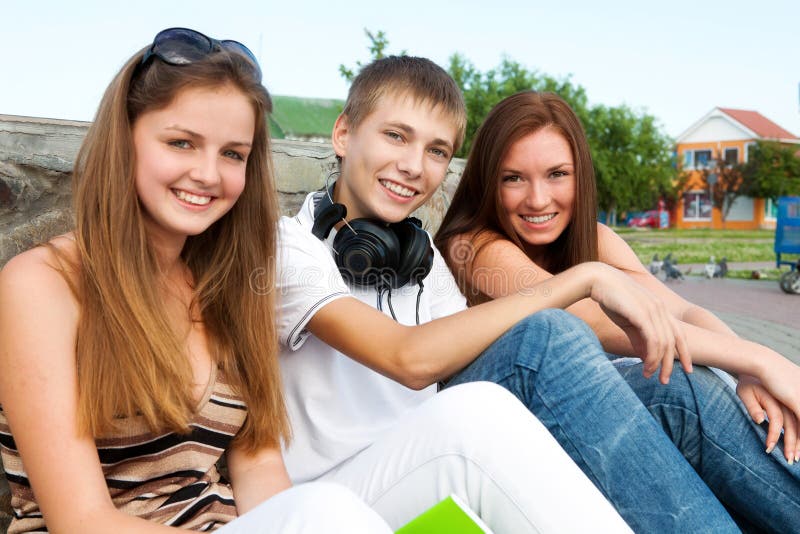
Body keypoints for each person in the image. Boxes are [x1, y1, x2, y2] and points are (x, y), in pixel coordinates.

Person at [276, 55, 747, 532]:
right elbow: (409, 359)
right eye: (396, 136)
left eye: (437, 151)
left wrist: (753, 366)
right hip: (341, 495)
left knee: (669, 386)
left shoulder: (420, 256)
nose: (413, 165)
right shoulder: (287, 246)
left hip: (440, 458)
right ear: (343, 134)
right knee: (546, 337)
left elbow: (470, 357)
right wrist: (586, 279)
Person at [0, 27, 393, 534]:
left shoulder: (230, 285)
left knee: (473, 416)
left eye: (232, 154)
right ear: (125, 140)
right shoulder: (42, 284)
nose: (208, 174)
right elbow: (80, 521)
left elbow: (258, 462)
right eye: (181, 143)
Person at [435, 90, 800, 532]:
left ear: (581, 175)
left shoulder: (594, 239)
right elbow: (594, 320)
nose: (538, 199)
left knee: (717, 392)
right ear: (487, 182)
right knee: (680, 388)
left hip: (590, 420)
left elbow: (683, 312)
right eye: (513, 178)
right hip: (512, 429)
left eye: (557, 174)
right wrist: (763, 358)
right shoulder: (474, 246)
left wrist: (750, 373)